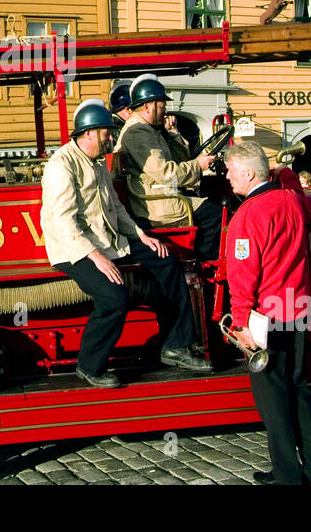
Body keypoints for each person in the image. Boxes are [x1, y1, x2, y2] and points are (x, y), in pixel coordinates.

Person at [40, 100, 211, 387]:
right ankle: (90, 366)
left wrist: (142, 236)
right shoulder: (62, 166)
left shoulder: (95, 162)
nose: (110, 139)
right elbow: (63, 222)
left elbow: (116, 208)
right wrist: (96, 257)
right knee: (114, 298)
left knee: (167, 261)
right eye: (106, 133)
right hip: (74, 250)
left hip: (107, 242)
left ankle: (176, 346)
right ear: (89, 134)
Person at [221, 142, 311, 485]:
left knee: (273, 402)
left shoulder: (247, 215)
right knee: (298, 390)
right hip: (296, 309)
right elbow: (294, 185)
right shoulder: (292, 201)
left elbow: (242, 274)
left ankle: (287, 477)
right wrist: (282, 170)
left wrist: (240, 322)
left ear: (249, 173)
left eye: (231, 170)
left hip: (264, 318)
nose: (227, 176)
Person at [114, 74, 222, 263]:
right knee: (214, 213)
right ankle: (208, 265)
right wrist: (198, 165)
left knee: (210, 198)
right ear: (149, 106)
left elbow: (179, 160)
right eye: (162, 106)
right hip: (155, 204)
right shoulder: (138, 133)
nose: (165, 111)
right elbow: (167, 174)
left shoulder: (148, 130)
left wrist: (172, 133)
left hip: (160, 195)